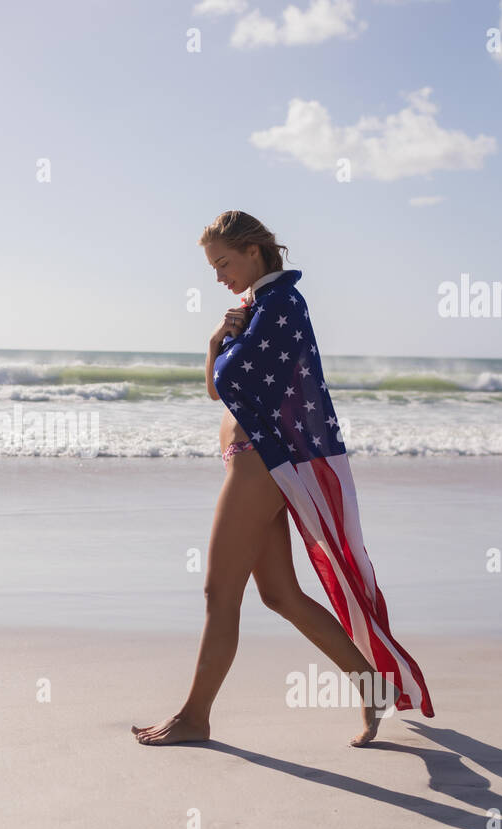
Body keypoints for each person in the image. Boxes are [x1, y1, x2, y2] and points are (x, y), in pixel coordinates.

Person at [132, 210, 433, 748]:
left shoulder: (281, 305)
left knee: (218, 591)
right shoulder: (256, 306)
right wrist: (212, 344)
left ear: (254, 251)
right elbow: (215, 387)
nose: (218, 276)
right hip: (248, 459)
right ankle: (371, 687)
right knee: (280, 594)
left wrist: (223, 350)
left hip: (258, 461)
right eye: (212, 267)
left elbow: (233, 380)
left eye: (224, 262)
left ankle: (195, 717)